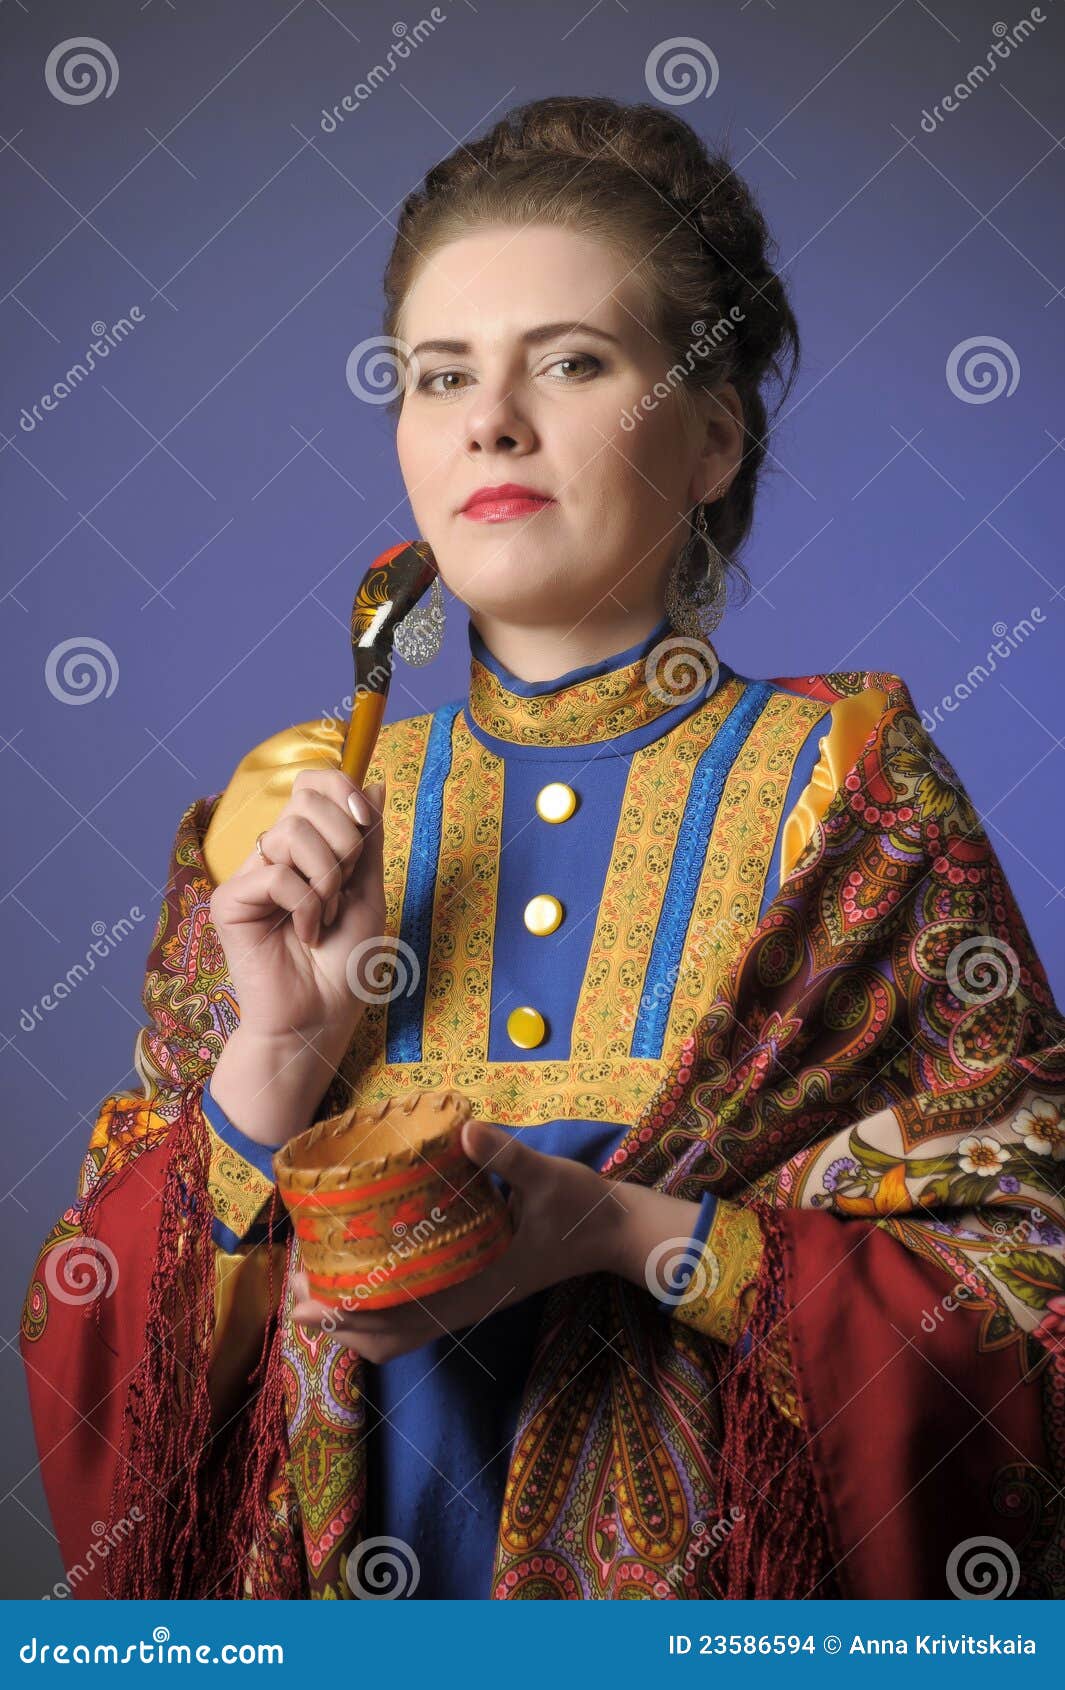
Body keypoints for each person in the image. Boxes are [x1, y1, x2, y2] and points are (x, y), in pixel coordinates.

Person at [21, 94, 1065, 1603]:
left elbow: (1028, 1310)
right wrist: (274, 1058)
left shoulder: (843, 795)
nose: (487, 420)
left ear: (712, 433)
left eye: (570, 362)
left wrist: (632, 1236)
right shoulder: (288, 826)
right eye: (439, 376)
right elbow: (92, 1361)